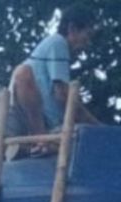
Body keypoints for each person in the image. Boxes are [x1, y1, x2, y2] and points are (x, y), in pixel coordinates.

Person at [8, 5, 101, 143]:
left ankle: (41, 139)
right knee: (23, 73)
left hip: (43, 124)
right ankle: (41, 140)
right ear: (72, 29)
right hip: (40, 127)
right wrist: (98, 127)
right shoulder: (58, 43)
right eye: (87, 35)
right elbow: (62, 96)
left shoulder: (54, 48)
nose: (87, 43)